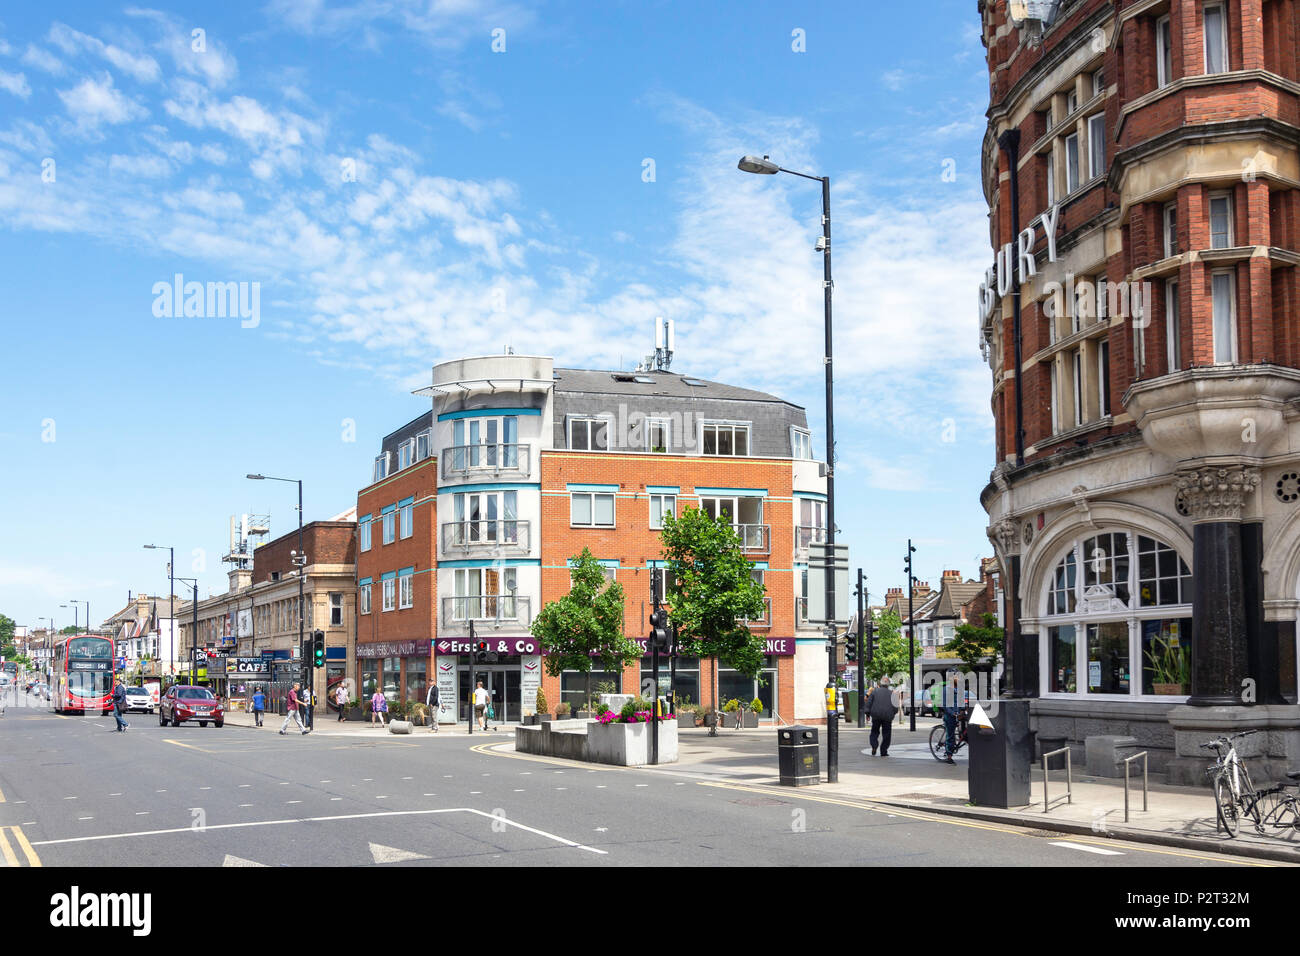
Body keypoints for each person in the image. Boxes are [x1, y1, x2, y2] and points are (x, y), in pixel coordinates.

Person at [867, 676, 898, 756]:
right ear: (888, 685)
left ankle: (874, 745)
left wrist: (867, 713)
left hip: (876, 715)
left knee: (874, 732)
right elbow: (895, 707)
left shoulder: (874, 692)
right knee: (887, 734)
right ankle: (883, 751)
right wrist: (893, 713)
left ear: (880, 683)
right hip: (887, 716)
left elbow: (869, 703)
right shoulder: (892, 693)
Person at [941, 676, 961, 764]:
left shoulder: (959, 689)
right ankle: (949, 756)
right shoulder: (946, 689)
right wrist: (953, 713)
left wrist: (963, 710)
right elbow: (945, 705)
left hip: (958, 715)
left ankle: (952, 748)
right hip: (950, 715)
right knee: (950, 736)